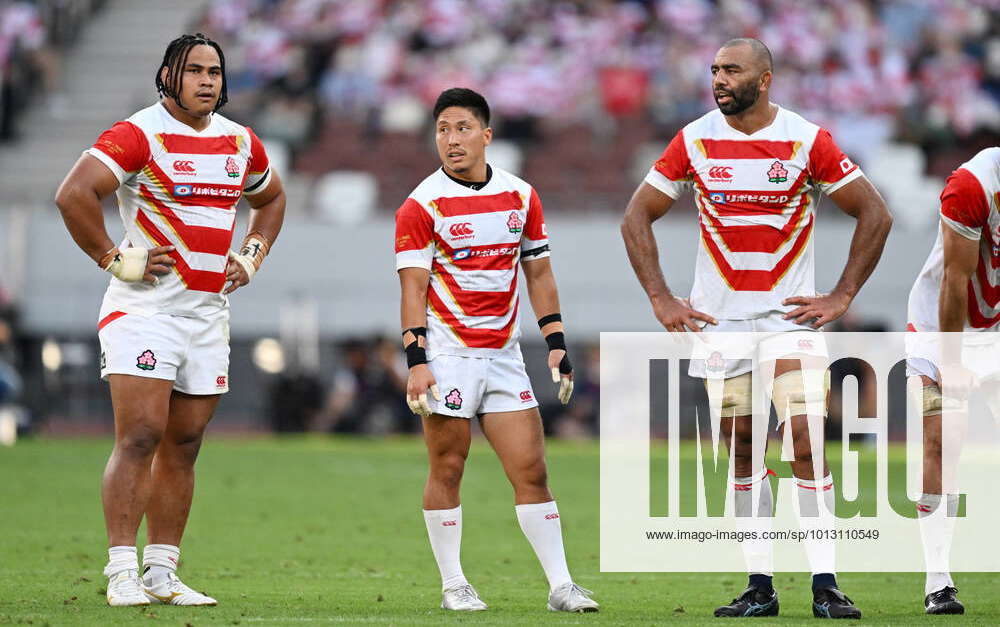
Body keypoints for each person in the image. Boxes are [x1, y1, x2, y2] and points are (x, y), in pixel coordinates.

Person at [620, 38, 892, 619]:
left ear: (764, 79)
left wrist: (842, 294)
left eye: (731, 69)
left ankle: (826, 583)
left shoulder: (805, 139)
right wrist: (661, 298)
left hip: (788, 325)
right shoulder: (693, 139)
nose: (718, 78)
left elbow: (875, 212)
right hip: (723, 327)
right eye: (715, 69)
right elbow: (635, 215)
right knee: (742, 449)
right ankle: (759, 586)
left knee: (804, 444)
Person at [54, 33, 285, 607]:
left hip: (208, 314)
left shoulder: (240, 142)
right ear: (167, 77)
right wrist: (112, 256)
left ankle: (162, 571)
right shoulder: (139, 133)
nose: (207, 80)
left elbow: (272, 198)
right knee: (140, 435)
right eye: (194, 71)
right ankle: (121, 571)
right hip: (145, 310)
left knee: (183, 444)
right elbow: (74, 193)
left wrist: (252, 254)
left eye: (215, 71)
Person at [394, 87, 597, 613]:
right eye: (442, 129)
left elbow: (539, 272)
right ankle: (454, 584)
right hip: (447, 355)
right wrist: (416, 362)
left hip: (504, 355)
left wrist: (555, 343)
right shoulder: (421, 205)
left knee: (531, 470)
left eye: (462, 128)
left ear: (486, 135)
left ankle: (561, 586)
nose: (451, 139)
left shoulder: (521, 195)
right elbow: (413, 287)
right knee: (448, 467)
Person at [905, 146, 1000, 615]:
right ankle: (937, 581)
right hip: (940, 328)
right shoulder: (972, 186)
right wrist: (953, 362)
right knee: (943, 440)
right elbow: (954, 281)